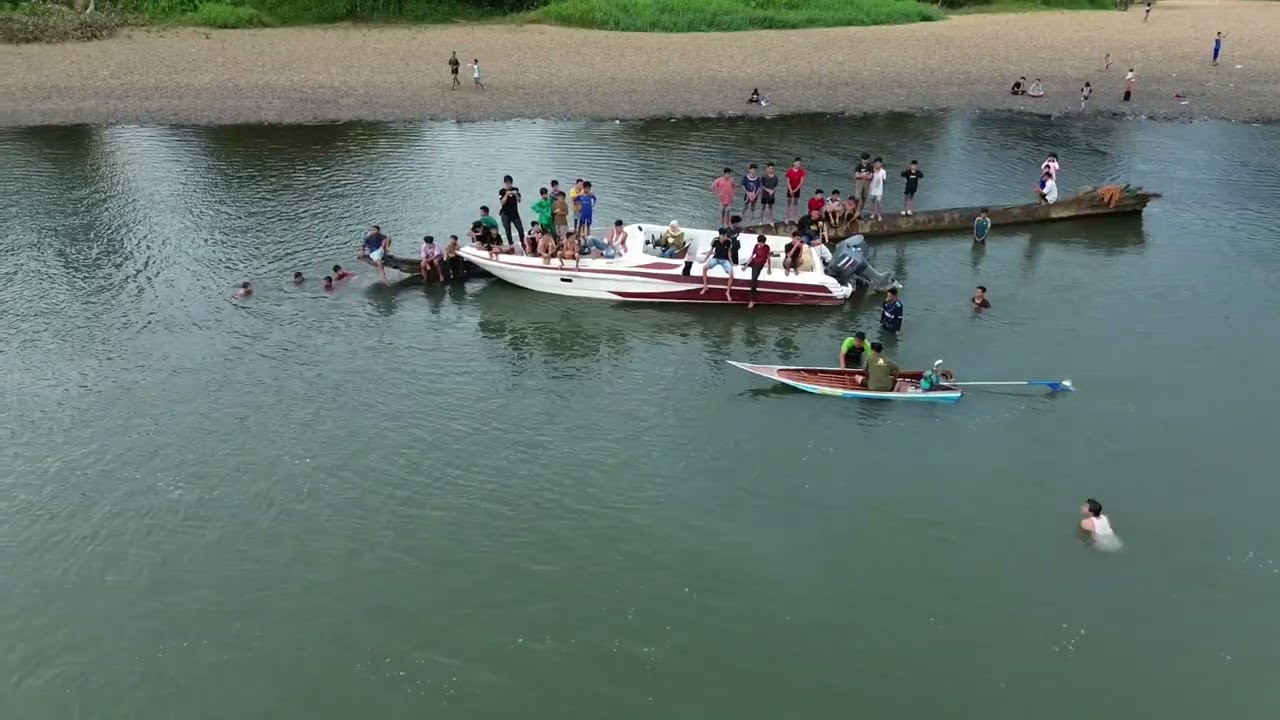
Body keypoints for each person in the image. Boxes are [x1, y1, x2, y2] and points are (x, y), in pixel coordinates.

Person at [701, 228, 735, 301]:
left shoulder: (728, 241)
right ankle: (705, 286)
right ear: (721, 235)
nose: (726, 237)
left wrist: (731, 262)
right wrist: (704, 260)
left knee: (731, 274)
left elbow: (729, 252)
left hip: (725, 260)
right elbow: (711, 251)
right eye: (725, 236)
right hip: (716, 258)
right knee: (704, 268)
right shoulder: (715, 240)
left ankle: (727, 291)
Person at [743, 234, 772, 309]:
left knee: (753, 279)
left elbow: (768, 258)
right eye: (760, 243)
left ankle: (752, 300)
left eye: (762, 243)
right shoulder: (756, 246)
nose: (761, 244)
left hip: (760, 264)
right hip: (754, 261)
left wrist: (769, 268)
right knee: (741, 265)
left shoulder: (766, 247)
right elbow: (752, 256)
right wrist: (746, 266)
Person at [496, 175, 524, 246]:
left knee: (520, 228)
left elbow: (519, 200)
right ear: (505, 183)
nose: (509, 185)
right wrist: (506, 194)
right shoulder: (502, 191)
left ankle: (523, 241)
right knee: (508, 230)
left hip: (514, 213)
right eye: (507, 183)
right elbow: (502, 202)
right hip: (505, 214)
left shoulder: (515, 189)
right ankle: (511, 244)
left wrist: (516, 194)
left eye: (510, 183)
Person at [785, 157, 806, 223]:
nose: (798, 165)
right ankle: (787, 217)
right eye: (797, 163)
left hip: (797, 189)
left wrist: (795, 190)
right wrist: (790, 190)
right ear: (794, 163)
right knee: (788, 203)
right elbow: (788, 182)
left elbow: (801, 183)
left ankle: (795, 217)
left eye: (799, 164)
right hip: (790, 189)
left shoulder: (802, 171)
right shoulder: (789, 171)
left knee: (795, 203)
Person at [868, 157, 887, 222]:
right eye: (876, 163)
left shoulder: (883, 172)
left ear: (881, 164)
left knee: (878, 203)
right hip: (872, 189)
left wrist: (882, 188)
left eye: (879, 163)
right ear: (874, 164)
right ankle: (873, 213)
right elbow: (868, 179)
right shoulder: (871, 170)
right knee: (872, 202)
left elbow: (884, 181)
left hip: (879, 190)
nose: (877, 165)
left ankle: (879, 215)